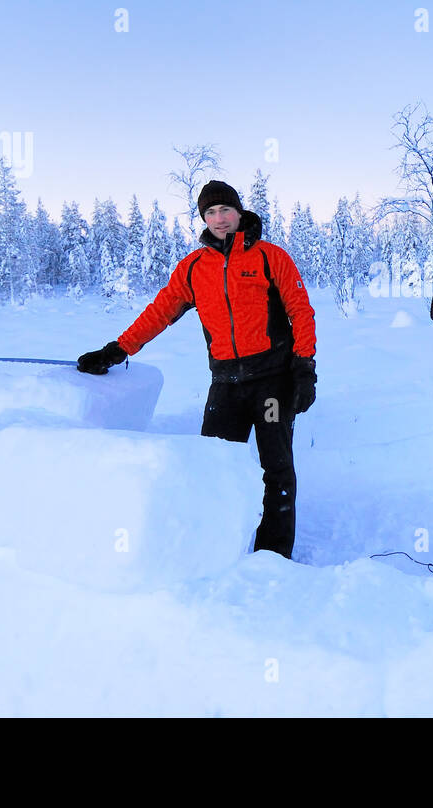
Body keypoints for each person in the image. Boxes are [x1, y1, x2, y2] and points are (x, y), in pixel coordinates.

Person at [77, 180, 317, 560]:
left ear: (239, 213)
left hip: (272, 383)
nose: (219, 219)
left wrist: (304, 368)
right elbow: (159, 313)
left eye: (225, 210)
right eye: (210, 212)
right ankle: (218, 546)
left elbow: (300, 311)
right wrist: (117, 350)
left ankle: (273, 556)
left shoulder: (271, 258)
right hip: (226, 384)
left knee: (277, 469)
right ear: (203, 219)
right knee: (213, 466)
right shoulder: (193, 269)